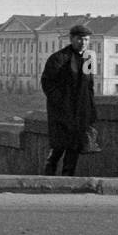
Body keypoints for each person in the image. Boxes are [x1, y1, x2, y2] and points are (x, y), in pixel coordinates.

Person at [40, 24, 98, 176]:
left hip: (80, 110)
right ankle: (49, 172)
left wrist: (91, 109)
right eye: (79, 39)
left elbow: (89, 85)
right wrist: (60, 102)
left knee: (74, 146)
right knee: (59, 145)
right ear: (72, 39)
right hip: (61, 111)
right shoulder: (59, 58)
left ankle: (67, 178)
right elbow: (47, 83)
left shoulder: (88, 59)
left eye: (86, 39)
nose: (83, 42)